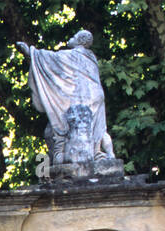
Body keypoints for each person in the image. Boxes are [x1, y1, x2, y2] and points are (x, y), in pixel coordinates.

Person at [17, 30, 116, 166]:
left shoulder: (73, 55)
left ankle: (67, 153)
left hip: (84, 95)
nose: (70, 38)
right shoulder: (91, 57)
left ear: (80, 41)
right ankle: (107, 153)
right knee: (99, 127)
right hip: (97, 94)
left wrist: (30, 52)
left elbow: (51, 59)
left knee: (68, 123)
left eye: (74, 37)